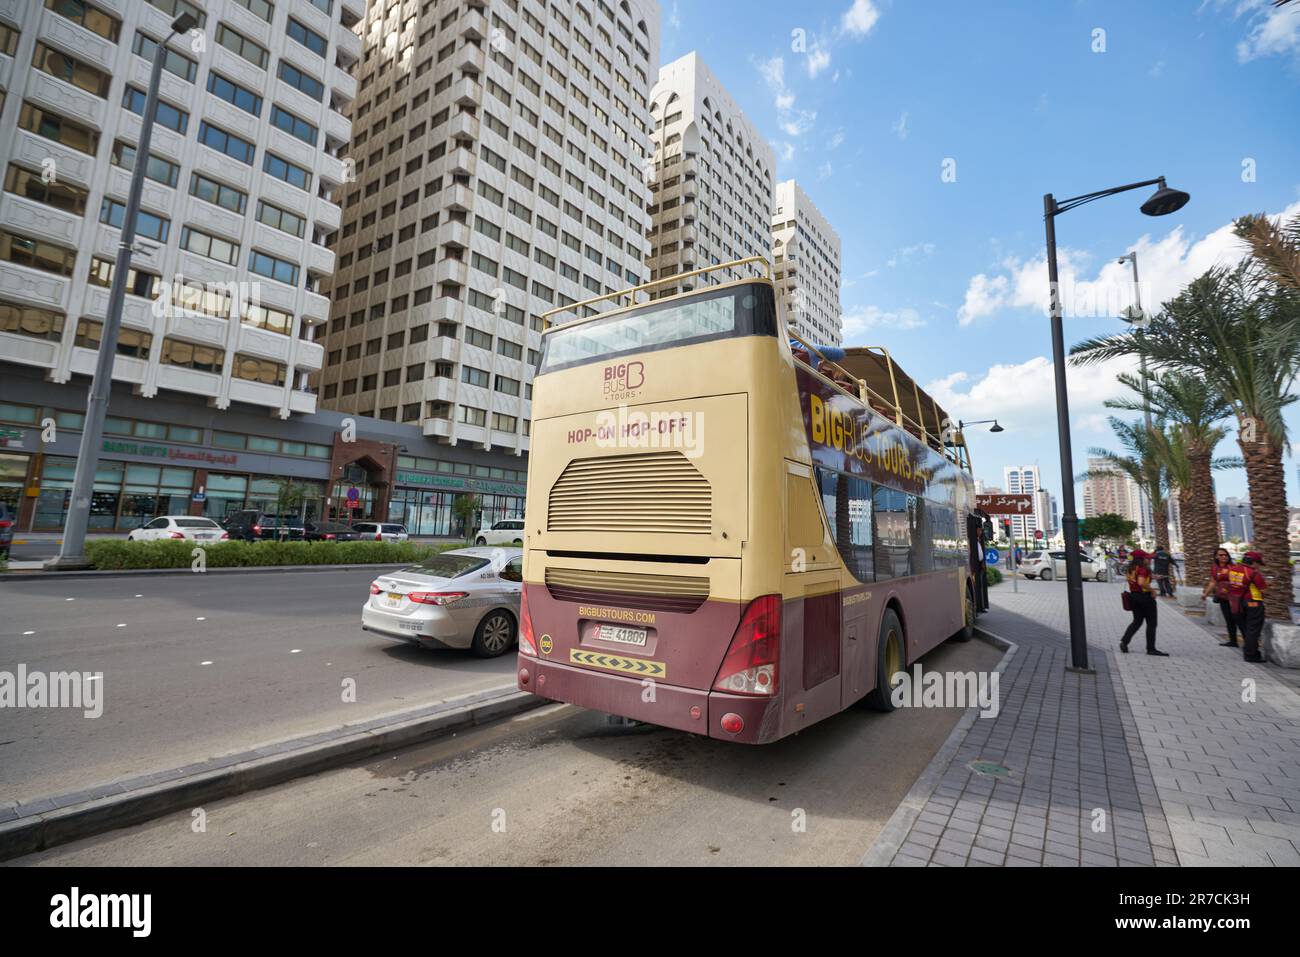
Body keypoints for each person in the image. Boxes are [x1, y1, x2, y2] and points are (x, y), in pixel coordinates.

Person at [1120, 549, 1168, 656]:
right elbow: (1141, 582)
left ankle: (1124, 641)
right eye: (1148, 558)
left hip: (1134, 596)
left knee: (1137, 621)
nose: (1150, 560)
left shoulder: (1131, 568)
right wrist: (1152, 590)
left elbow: (1137, 579)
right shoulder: (1143, 569)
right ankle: (1151, 649)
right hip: (1145, 598)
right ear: (1141, 559)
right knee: (1151, 623)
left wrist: (1153, 577)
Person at [1226, 551, 1268, 663]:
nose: (1258, 566)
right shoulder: (1253, 573)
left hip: (1237, 602)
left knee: (1246, 628)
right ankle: (1251, 655)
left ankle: (1250, 650)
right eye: (1258, 563)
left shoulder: (1232, 570)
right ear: (1253, 562)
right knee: (1253, 629)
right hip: (1253, 602)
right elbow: (1263, 590)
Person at [1202, 547, 1239, 648]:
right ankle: (1233, 641)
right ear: (1216, 557)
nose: (1224, 557)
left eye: (1226, 555)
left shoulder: (1233, 567)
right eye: (1221, 555)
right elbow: (1213, 582)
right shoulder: (1215, 568)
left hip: (1234, 598)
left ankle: (1249, 645)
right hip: (1223, 597)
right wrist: (1205, 593)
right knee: (1229, 620)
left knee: (1238, 620)